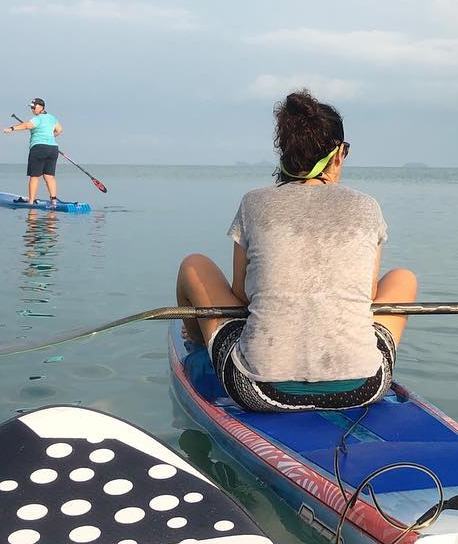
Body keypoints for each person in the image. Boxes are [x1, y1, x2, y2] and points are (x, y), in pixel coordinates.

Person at [175, 89, 418, 413]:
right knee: (404, 279)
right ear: (338, 155)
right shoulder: (367, 207)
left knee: (194, 265)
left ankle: (196, 348)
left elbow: (241, 295)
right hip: (364, 387)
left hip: (260, 390)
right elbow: (370, 293)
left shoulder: (254, 203)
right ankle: (348, 363)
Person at [3, 99, 63, 204]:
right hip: (53, 148)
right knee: (49, 176)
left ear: (41, 107)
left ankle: (31, 201)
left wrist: (11, 129)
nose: (32, 109)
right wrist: (49, 136)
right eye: (31, 107)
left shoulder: (38, 118)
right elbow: (59, 130)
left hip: (38, 148)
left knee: (34, 176)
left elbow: (27, 125)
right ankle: (53, 201)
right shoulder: (52, 118)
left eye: (33, 107)